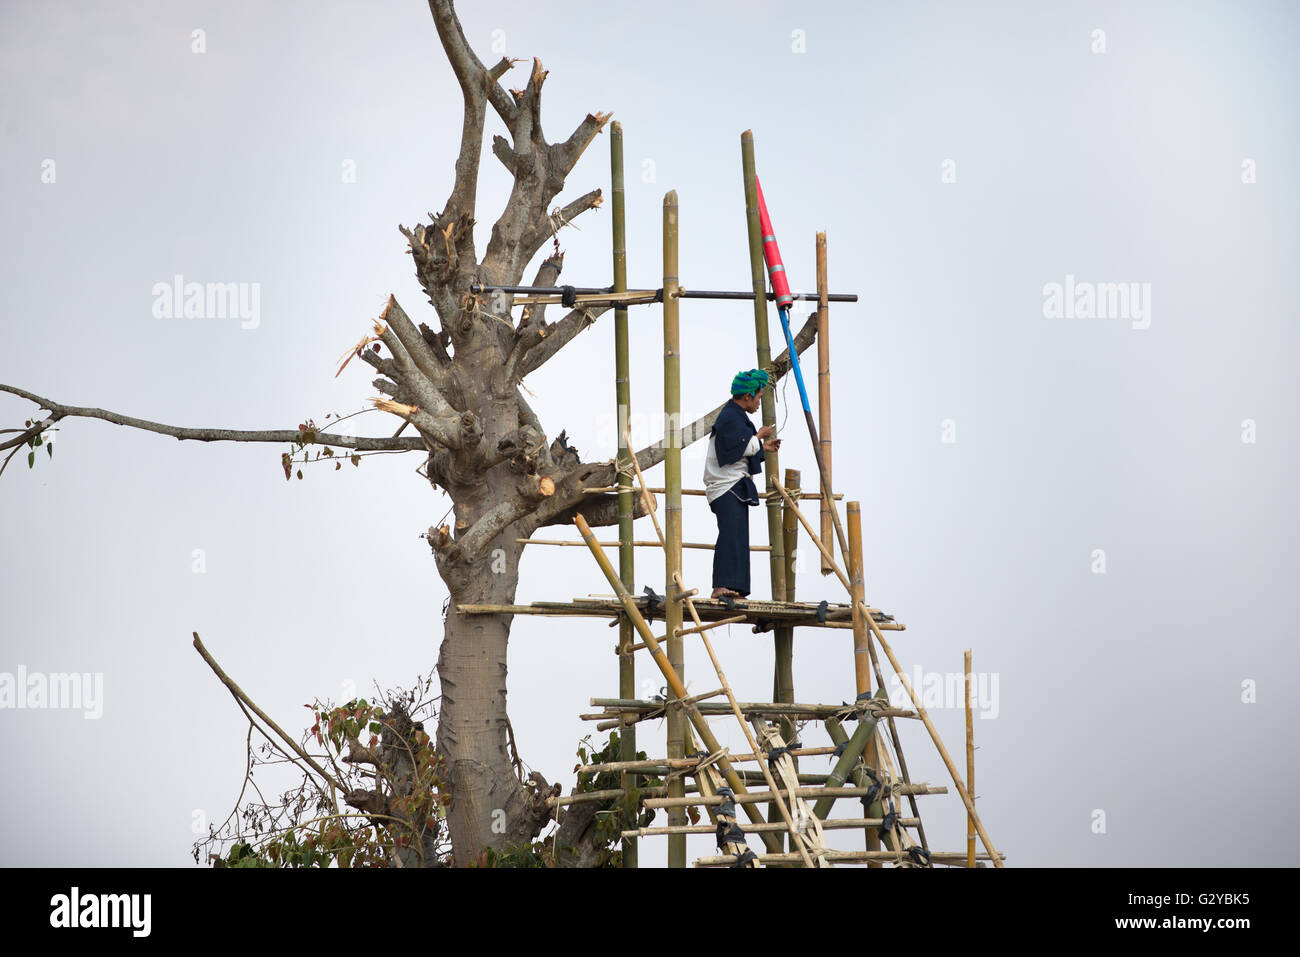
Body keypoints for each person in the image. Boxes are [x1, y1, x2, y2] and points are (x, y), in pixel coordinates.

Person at [704, 369, 781, 599]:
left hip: (733, 484)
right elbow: (733, 448)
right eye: (758, 398)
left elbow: (740, 448)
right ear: (747, 396)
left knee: (738, 536)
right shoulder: (730, 417)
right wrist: (758, 437)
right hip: (725, 486)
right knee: (729, 534)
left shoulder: (736, 416)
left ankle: (734, 587)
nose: (758, 403)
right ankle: (721, 586)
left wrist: (763, 447)